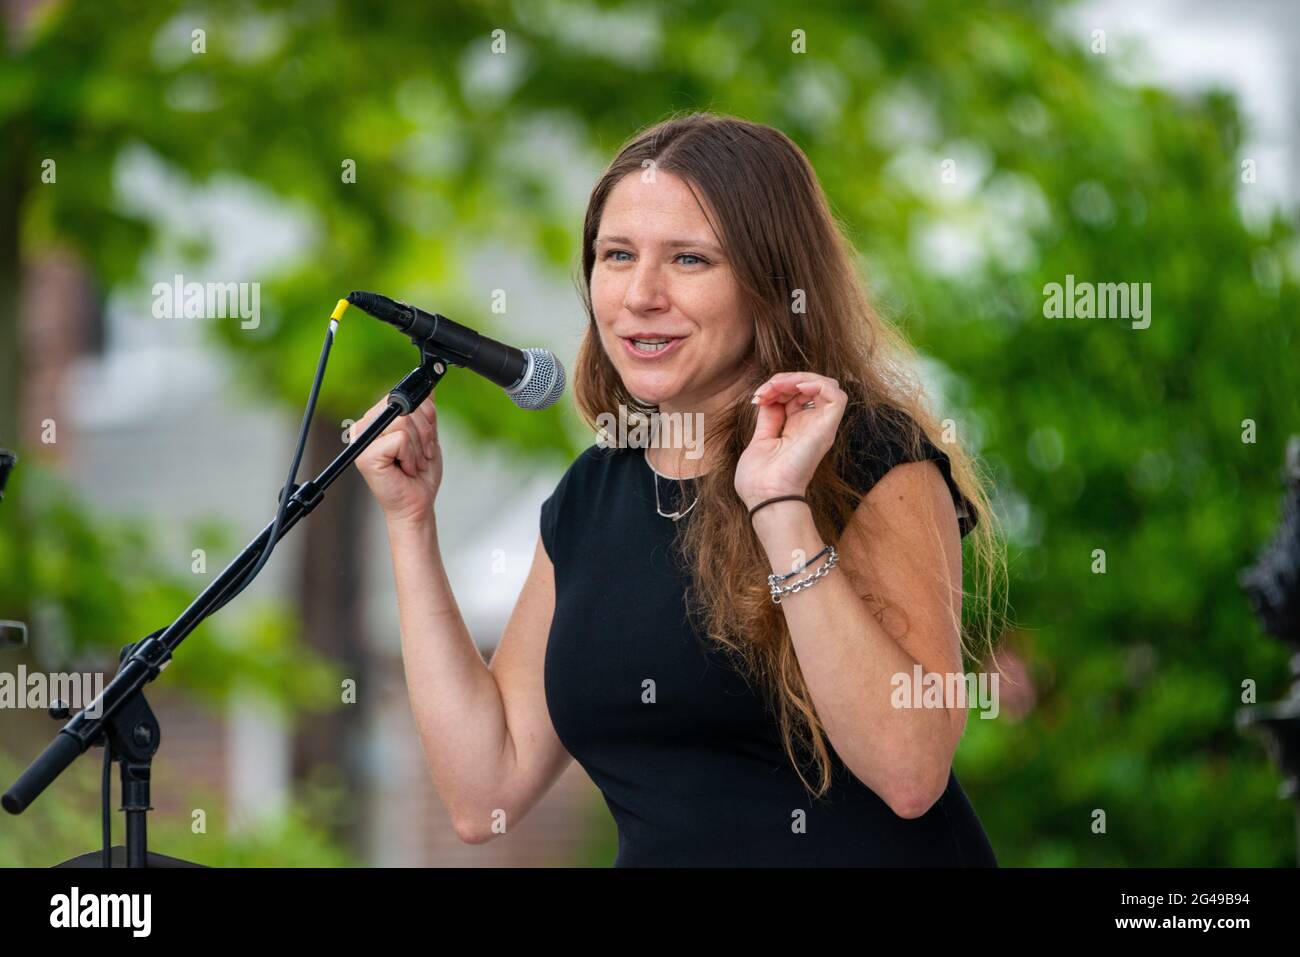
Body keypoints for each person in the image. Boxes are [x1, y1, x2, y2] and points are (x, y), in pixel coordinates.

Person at [351, 112, 1006, 866]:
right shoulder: (592, 493)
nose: (640, 294)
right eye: (617, 255)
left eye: (690, 260)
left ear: (771, 283)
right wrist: (409, 523)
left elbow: (910, 769)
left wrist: (780, 506)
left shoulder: (869, 457)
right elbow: (484, 791)